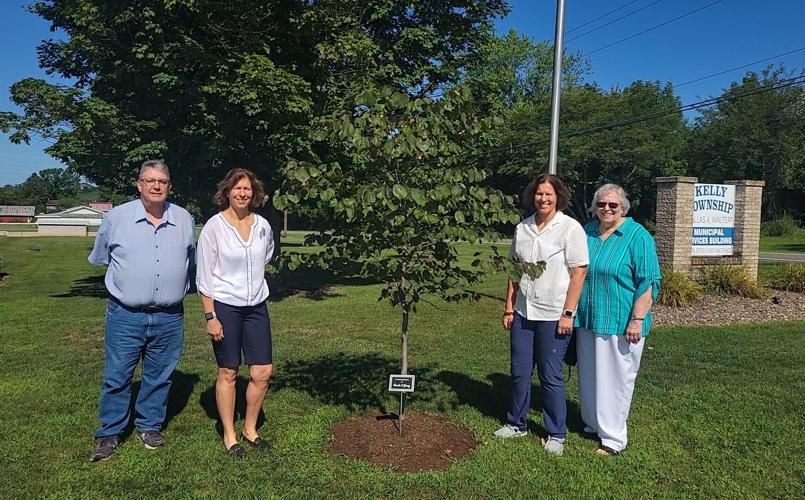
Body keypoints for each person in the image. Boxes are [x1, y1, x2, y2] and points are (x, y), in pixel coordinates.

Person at [88, 159, 196, 462]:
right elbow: (103, 257)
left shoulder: (184, 218)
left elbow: (192, 261)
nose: (157, 186)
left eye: (162, 181)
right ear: (139, 185)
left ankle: (149, 425)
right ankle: (110, 432)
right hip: (126, 315)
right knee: (117, 375)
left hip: (170, 316)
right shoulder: (117, 218)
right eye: (150, 181)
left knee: (160, 375)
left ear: (169, 186)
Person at [494, 173, 588, 456]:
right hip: (524, 311)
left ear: (558, 196)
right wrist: (509, 307)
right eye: (538, 194)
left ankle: (556, 433)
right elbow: (514, 270)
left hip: (554, 313)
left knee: (550, 374)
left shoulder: (570, 228)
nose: (543, 198)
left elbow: (578, 273)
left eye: (548, 194)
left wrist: (568, 314)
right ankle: (516, 423)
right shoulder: (522, 229)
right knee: (520, 372)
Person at [575, 183, 661, 456]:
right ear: (594, 207)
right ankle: (593, 423)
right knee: (590, 375)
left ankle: (613, 438)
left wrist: (637, 319)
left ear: (623, 206)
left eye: (613, 205)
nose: (607, 209)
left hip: (622, 321)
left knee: (617, 379)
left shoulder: (637, 236)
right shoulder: (587, 232)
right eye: (601, 204)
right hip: (588, 317)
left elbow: (648, 280)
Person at [196, 168, 275, 457]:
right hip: (225, 307)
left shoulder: (263, 226)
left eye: (248, 189)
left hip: (256, 307)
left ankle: (250, 429)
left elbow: (265, 257)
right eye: (237, 188)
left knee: (262, 371)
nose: (243, 193)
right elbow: (204, 276)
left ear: (254, 194)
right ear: (227, 192)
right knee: (229, 371)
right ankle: (230, 434)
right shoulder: (213, 228)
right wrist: (210, 316)